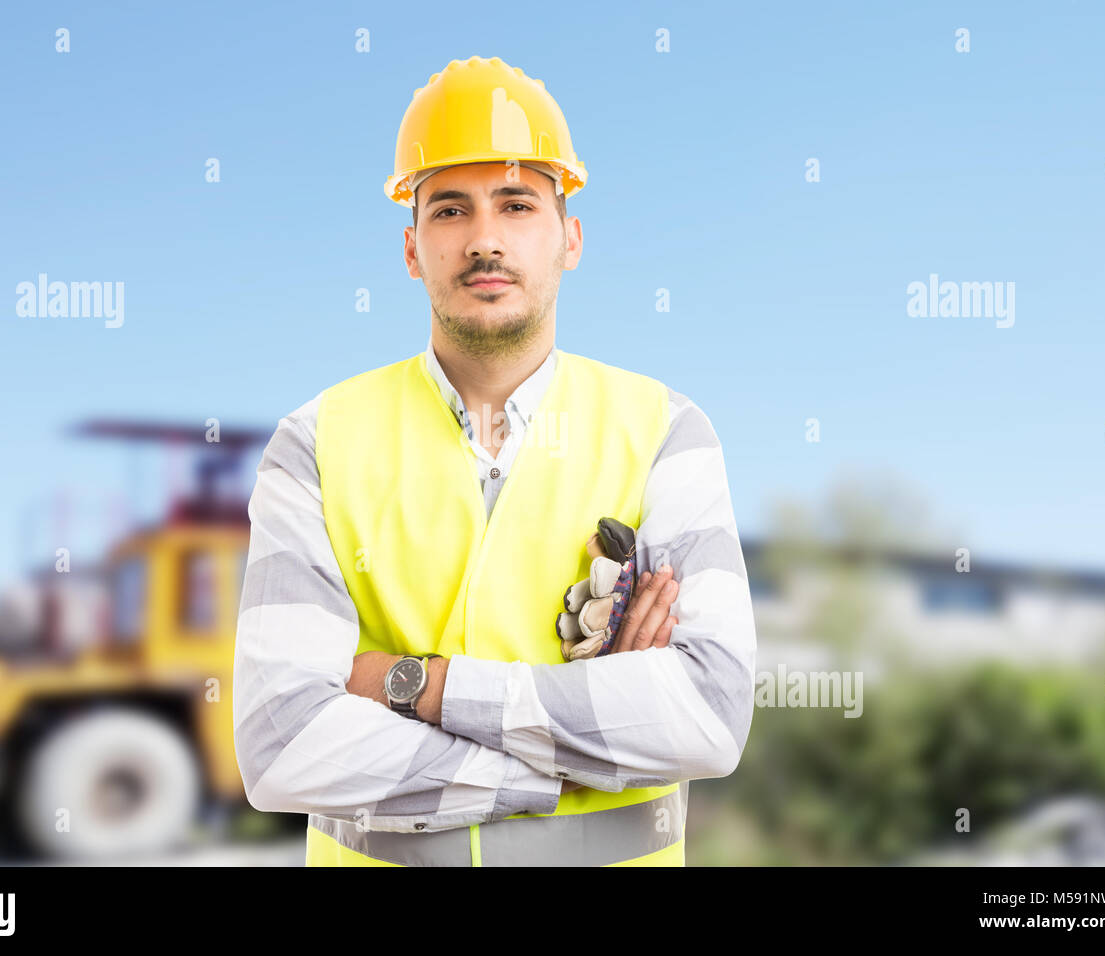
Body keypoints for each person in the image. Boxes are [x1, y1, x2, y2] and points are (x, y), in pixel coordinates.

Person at [232, 56, 756, 866]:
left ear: (569, 238)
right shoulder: (313, 443)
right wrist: (575, 750)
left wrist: (415, 685)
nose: (484, 240)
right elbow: (281, 743)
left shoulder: (666, 430)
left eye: (516, 205)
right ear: (411, 248)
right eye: (449, 210)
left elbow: (709, 717)